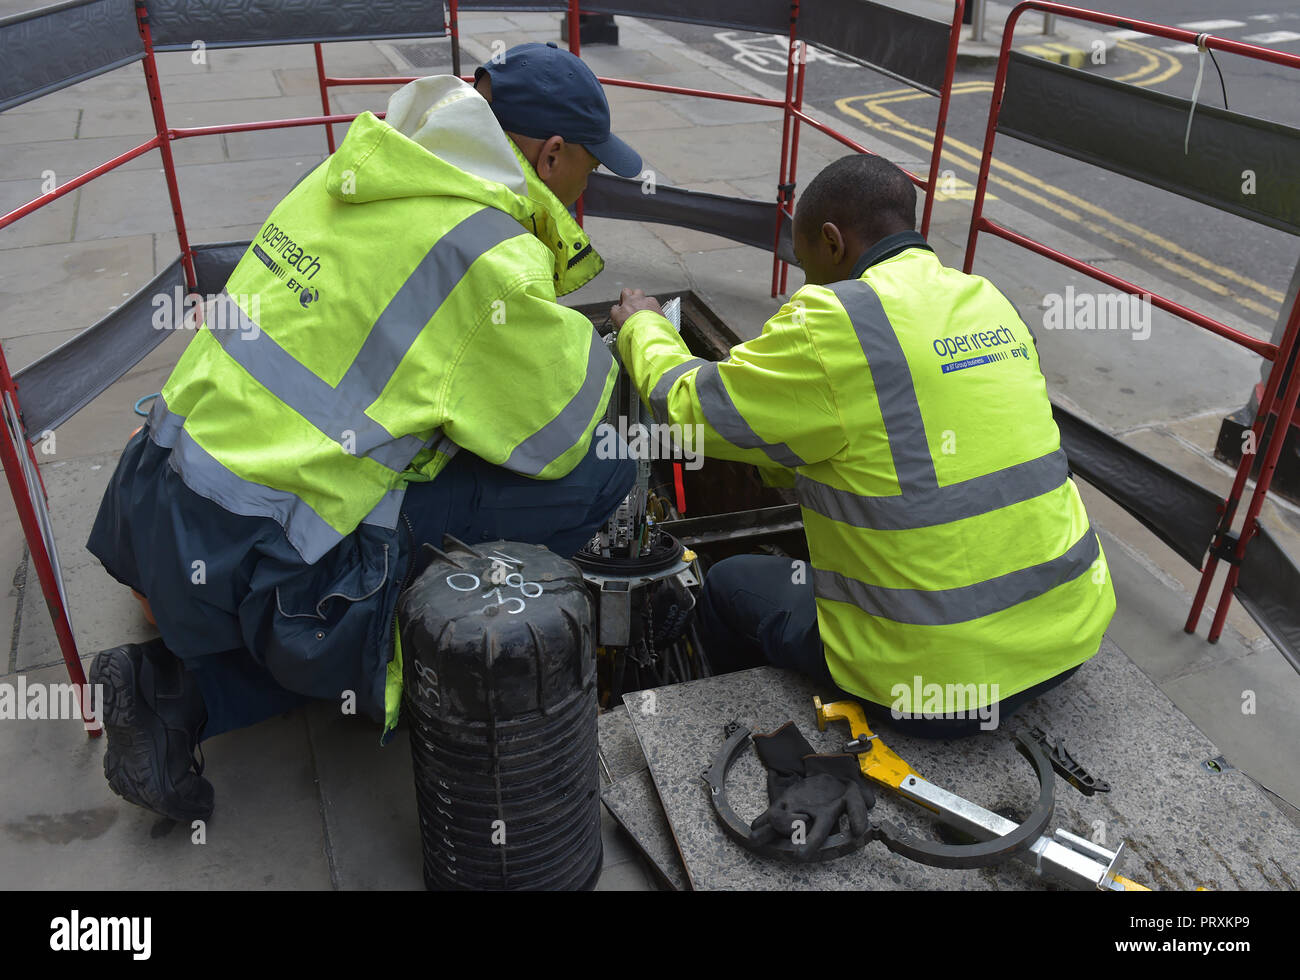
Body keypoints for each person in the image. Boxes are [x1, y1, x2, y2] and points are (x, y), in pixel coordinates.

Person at [86, 43, 640, 821]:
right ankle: (258, 678)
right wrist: (639, 341)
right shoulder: (490, 253)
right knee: (605, 468)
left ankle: (175, 680)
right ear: (552, 155)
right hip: (269, 552)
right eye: (591, 166)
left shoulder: (362, 162)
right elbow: (562, 431)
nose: (589, 186)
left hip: (162, 494)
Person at [610, 153, 1116, 738]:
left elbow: (687, 405)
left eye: (805, 264)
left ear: (831, 241)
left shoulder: (836, 319)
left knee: (730, 582)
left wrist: (641, 326)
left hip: (934, 687)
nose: (805, 284)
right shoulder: (986, 299)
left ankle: (738, 736)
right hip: (1068, 636)